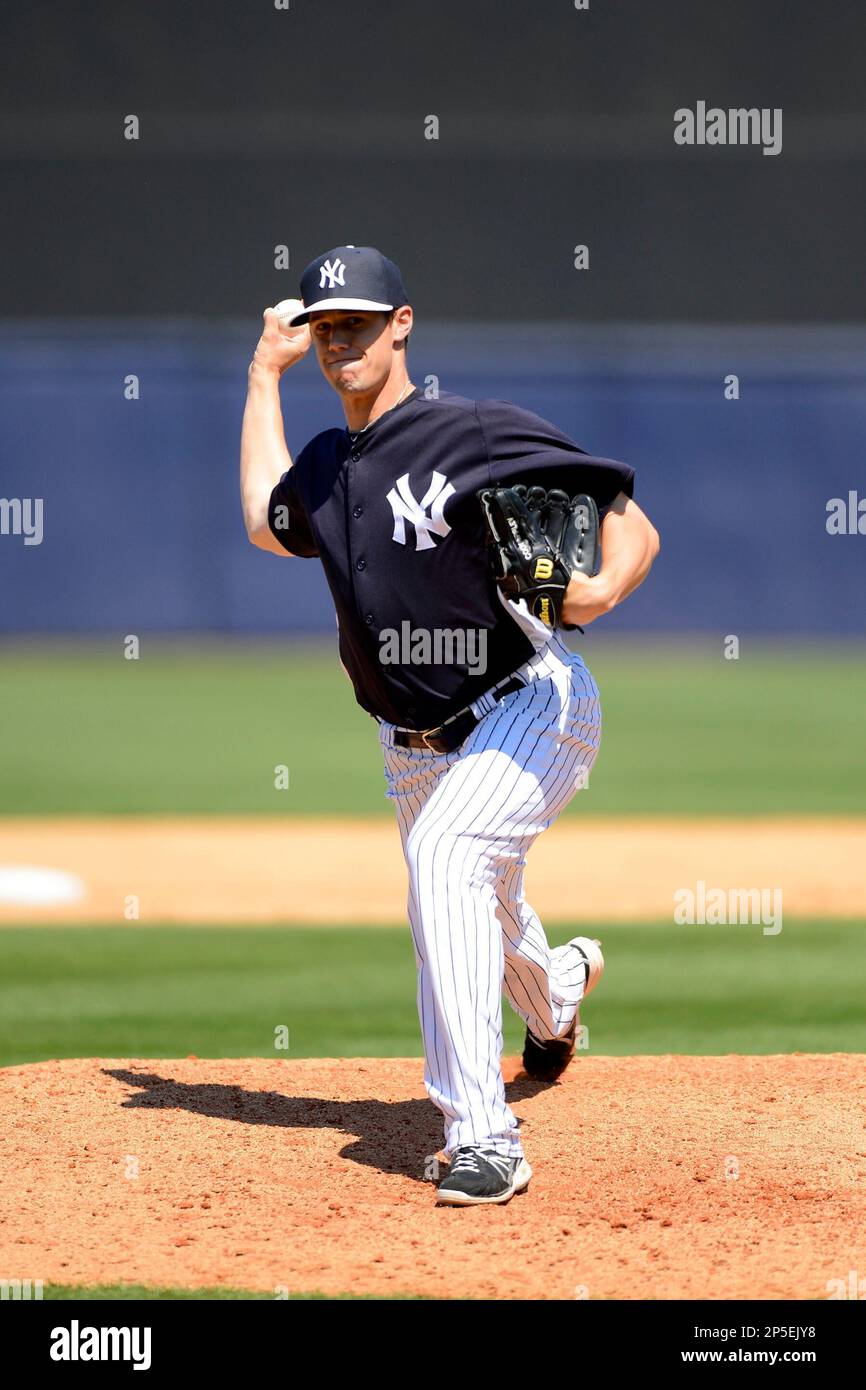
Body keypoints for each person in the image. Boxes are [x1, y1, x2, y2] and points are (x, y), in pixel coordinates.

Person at [240, 245, 660, 1206]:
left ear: (402, 324)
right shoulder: (326, 467)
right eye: (322, 324)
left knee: (446, 862)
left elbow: (632, 520)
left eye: (356, 320)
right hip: (413, 743)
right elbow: (268, 521)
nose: (338, 338)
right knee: (486, 903)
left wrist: (595, 585)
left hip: (531, 704)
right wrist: (264, 374)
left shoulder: (469, 431)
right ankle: (556, 1000)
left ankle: (483, 1140)